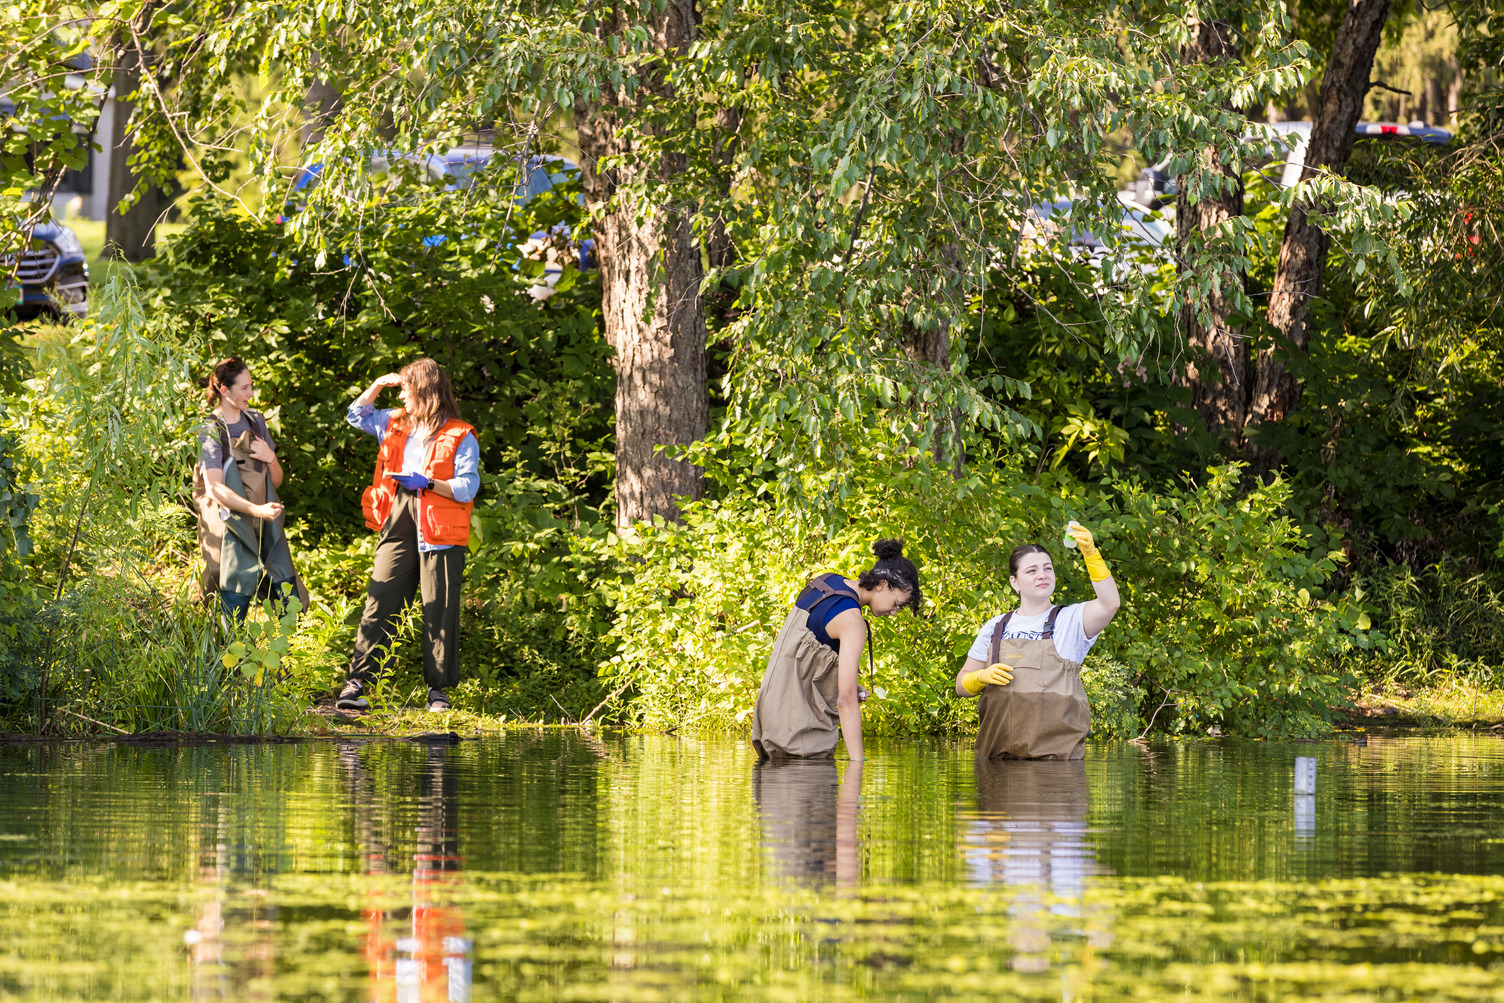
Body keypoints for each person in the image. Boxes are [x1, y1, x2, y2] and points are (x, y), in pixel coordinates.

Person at [336, 359, 480, 714]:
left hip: (440, 528)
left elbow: (468, 485)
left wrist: (429, 483)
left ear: (424, 391)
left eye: (405, 388)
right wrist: (377, 385)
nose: (400, 395)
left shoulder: (460, 433)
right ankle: (357, 683)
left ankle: (438, 692)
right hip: (398, 518)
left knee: (439, 609)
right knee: (380, 598)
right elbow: (356, 415)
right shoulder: (394, 420)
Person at [954, 524, 1120, 760]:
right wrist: (979, 678)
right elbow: (961, 686)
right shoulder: (995, 626)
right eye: (1031, 571)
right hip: (996, 765)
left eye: (1047, 568)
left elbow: (1110, 604)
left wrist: (1091, 555)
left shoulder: (1070, 620)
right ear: (1015, 582)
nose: (1042, 574)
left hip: (1057, 767)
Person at [750, 539, 922, 761]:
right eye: (897, 604)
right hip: (801, 741)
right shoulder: (853, 622)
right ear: (882, 584)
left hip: (768, 727)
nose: (894, 613)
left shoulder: (826, 582)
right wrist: (858, 765)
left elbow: (800, 658)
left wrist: (840, 680)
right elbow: (846, 701)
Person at [192, 357, 307, 624]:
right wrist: (256, 510)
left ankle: (285, 659)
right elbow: (214, 488)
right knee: (234, 601)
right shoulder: (211, 430)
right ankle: (226, 661)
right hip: (231, 525)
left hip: (265, 521)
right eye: (244, 388)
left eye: (251, 386)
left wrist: (271, 457)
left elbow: (275, 481)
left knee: (286, 593)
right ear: (224, 391)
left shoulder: (255, 421)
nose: (251, 394)